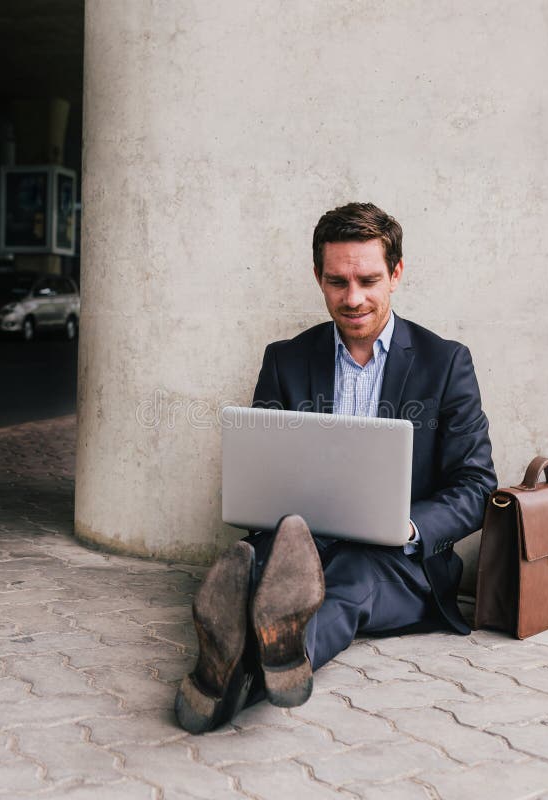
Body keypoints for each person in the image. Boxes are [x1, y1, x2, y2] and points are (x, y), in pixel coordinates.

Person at [174, 202, 497, 733]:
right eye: (337, 281)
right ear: (317, 277)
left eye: (368, 280)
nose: (353, 298)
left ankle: (239, 677)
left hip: (398, 562)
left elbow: (476, 483)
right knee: (255, 560)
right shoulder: (285, 359)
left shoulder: (446, 363)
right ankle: (240, 632)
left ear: (396, 273)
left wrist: (408, 527)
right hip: (301, 542)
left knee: (351, 577)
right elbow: (265, 465)